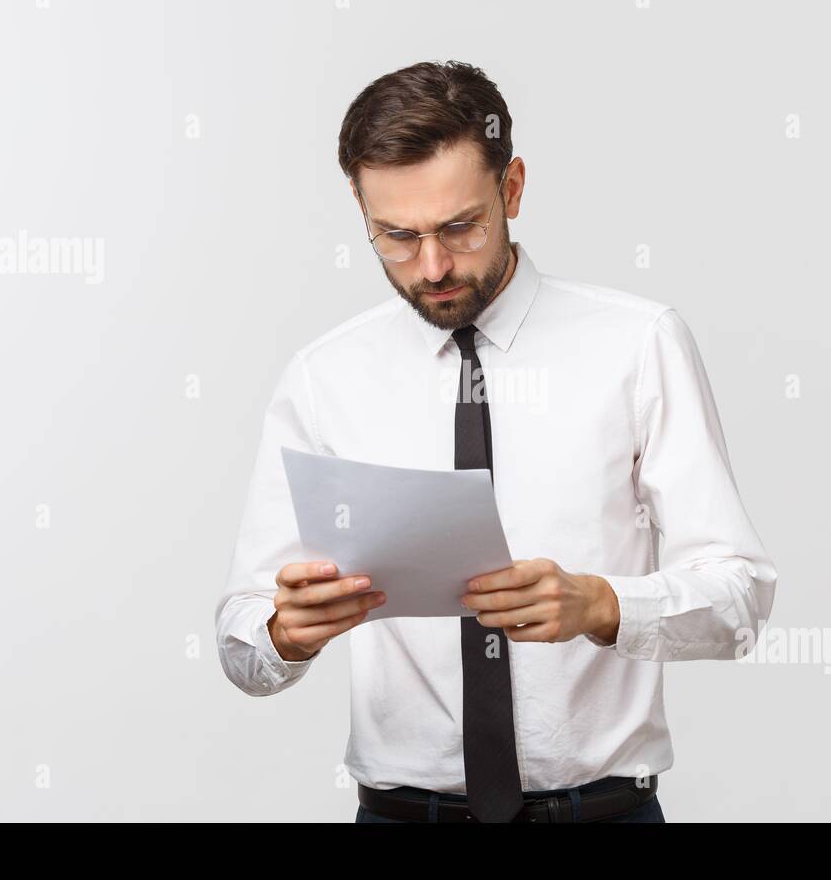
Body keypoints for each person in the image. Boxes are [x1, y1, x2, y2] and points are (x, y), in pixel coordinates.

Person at [215, 60, 778, 823]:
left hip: (601, 814)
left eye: (460, 226)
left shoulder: (637, 344)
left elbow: (741, 598)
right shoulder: (325, 377)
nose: (434, 266)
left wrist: (604, 604)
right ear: (360, 207)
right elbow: (243, 647)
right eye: (396, 237)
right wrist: (286, 632)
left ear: (512, 188)